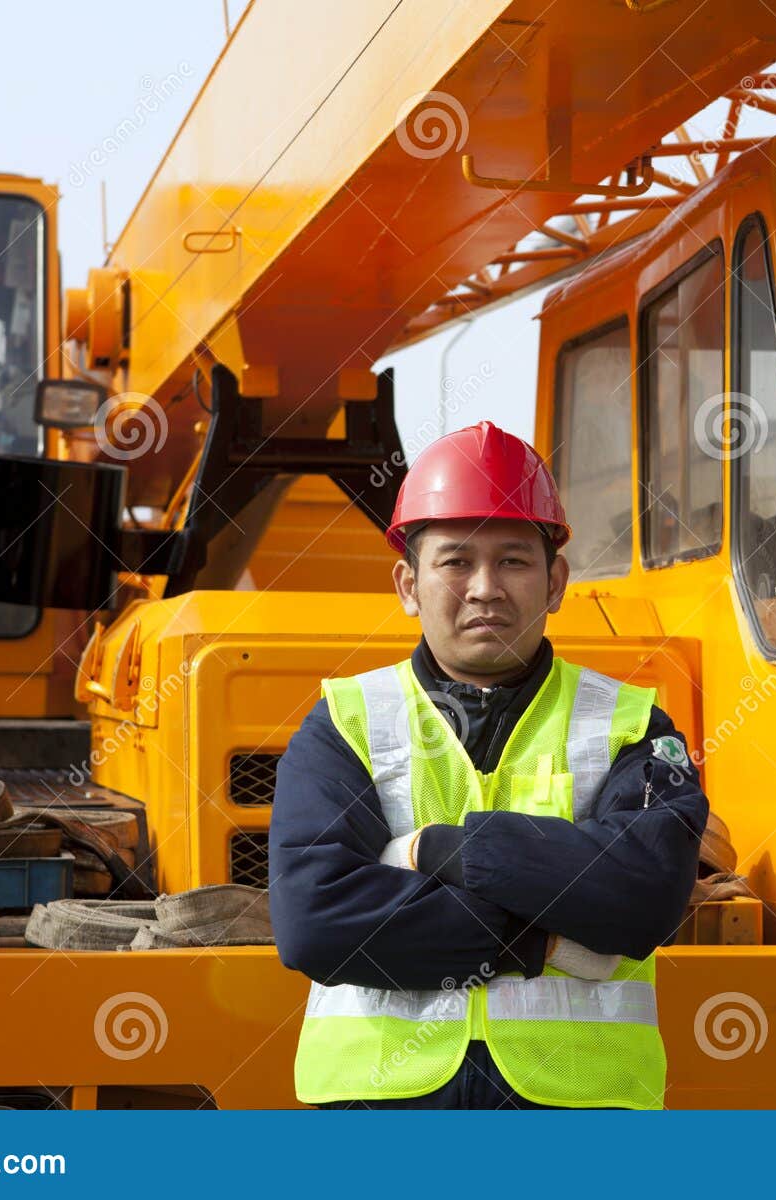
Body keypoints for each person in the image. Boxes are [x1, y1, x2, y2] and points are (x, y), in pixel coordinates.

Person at [269, 421, 709, 1109]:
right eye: (455, 562)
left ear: (555, 582)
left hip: (578, 1110)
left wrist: (434, 850)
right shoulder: (347, 721)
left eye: (513, 561)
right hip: (381, 1107)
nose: (484, 588)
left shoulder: (632, 724)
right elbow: (315, 921)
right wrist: (544, 941)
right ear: (408, 585)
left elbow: (644, 896)